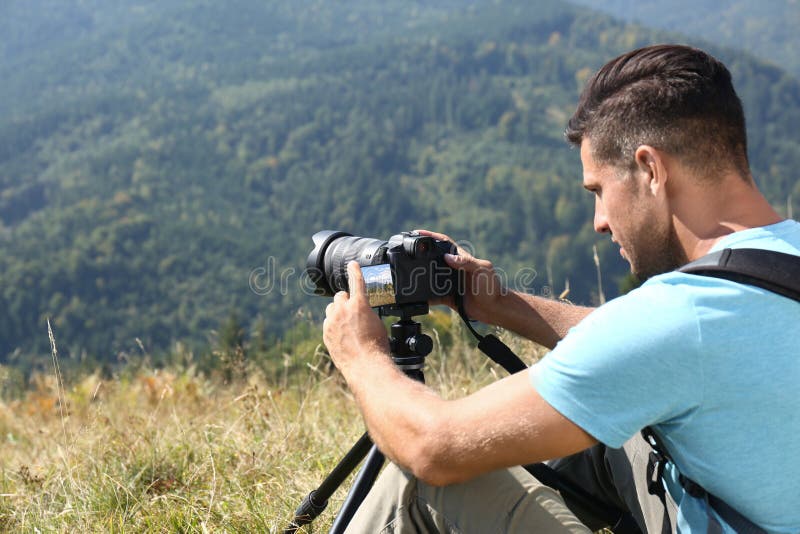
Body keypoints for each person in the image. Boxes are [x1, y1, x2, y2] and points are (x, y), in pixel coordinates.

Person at [322, 44, 800, 533]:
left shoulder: (682, 318)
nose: (600, 222)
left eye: (598, 191)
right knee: (605, 419)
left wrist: (362, 356)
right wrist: (501, 306)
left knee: (422, 481)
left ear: (651, 170)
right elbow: (638, 344)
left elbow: (433, 449)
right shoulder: (777, 261)